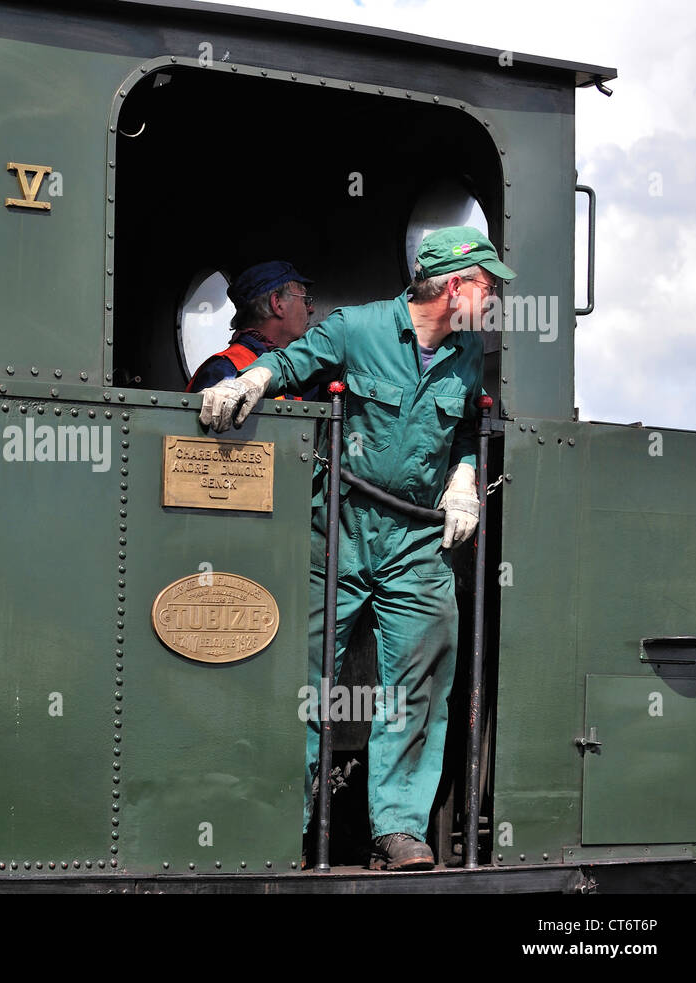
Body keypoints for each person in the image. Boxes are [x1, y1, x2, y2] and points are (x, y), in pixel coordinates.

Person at [197, 227, 515, 871]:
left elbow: (458, 436)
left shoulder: (467, 352)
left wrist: (463, 481)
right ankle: (284, 821)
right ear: (454, 286)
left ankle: (398, 828)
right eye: (489, 284)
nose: (497, 296)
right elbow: (291, 363)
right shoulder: (356, 328)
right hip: (338, 529)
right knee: (304, 677)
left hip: (415, 538)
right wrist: (250, 382)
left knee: (420, 679)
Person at [185, 261, 315, 396]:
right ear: (278, 303)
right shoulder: (224, 371)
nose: (311, 309)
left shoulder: (297, 371)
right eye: (305, 300)